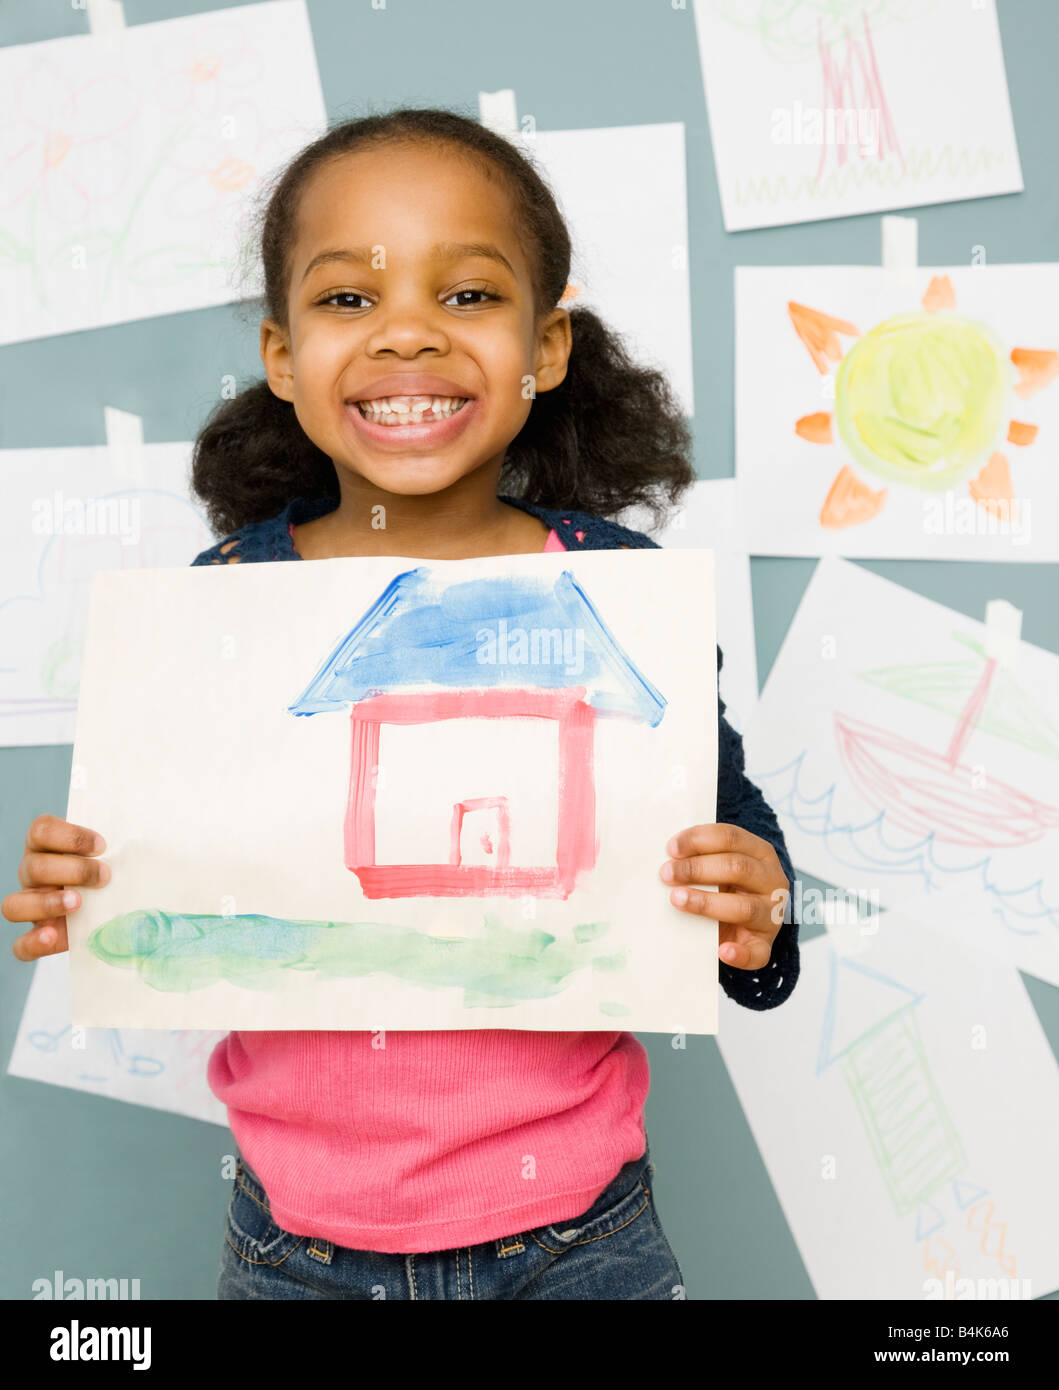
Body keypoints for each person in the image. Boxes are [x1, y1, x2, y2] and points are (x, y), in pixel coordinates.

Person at [4, 107, 799, 1300]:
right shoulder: (226, 603)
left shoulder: (623, 594)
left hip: (583, 1239)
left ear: (548, 345)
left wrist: (759, 911)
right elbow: (191, 864)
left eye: (470, 296)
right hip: (297, 1252)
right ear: (282, 358)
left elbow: (742, 871)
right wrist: (100, 879)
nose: (409, 334)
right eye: (348, 301)